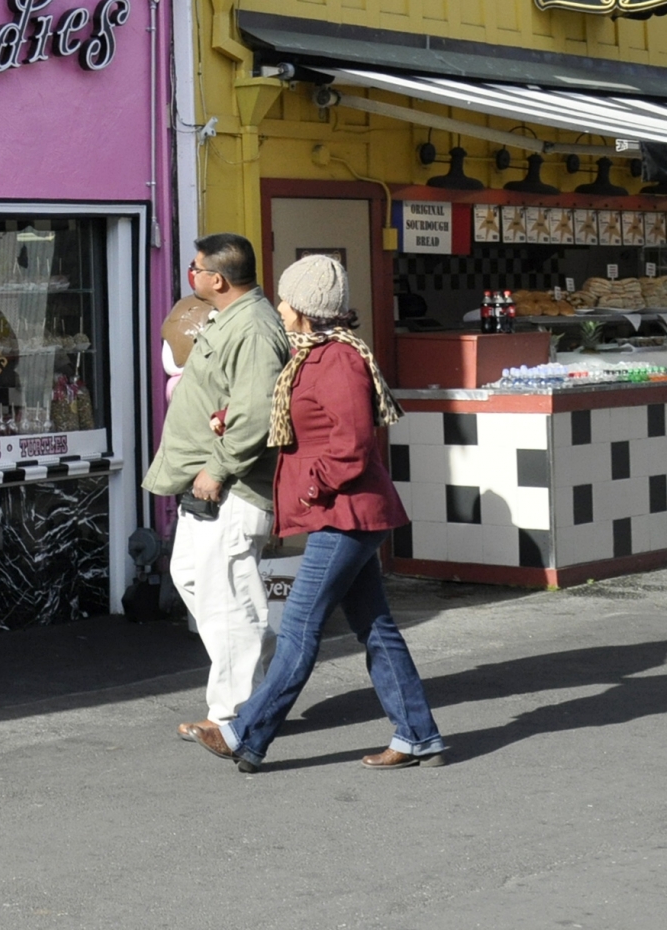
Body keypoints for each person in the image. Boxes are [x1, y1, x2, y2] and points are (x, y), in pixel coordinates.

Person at [190, 254, 447, 774]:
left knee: (299, 629)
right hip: (343, 513)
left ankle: (246, 733)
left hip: (345, 515)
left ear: (306, 308)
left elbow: (351, 446)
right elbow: (301, 421)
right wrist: (228, 419)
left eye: (286, 299)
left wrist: (309, 491)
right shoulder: (311, 354)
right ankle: (419, 734)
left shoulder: (340, 360)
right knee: (375, 628)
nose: (279, 307)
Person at [144, 233, 290, 745]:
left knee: (226, 598)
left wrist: (219, 469)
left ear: (218, 279)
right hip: (209, 485)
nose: (190, 276)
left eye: (194, 269)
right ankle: (260, 675)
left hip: (229, 488)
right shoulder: (230, 317)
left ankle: (234, 714)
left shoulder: (251, 326)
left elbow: (254, 412)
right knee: (195, 579)